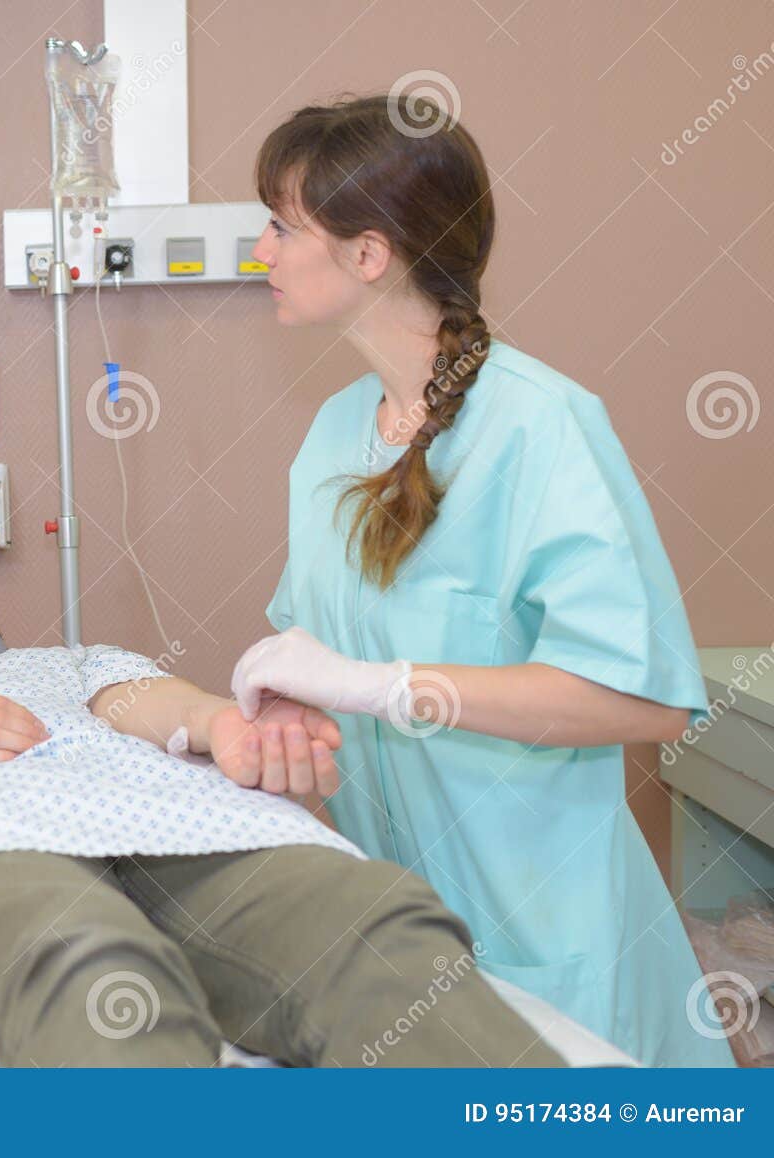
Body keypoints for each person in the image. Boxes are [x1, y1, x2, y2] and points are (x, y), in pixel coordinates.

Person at [234, 95, 729, 1066]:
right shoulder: (332, 436)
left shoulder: (540, 426)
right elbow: (325, 654)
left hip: (548, 931)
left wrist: (393, 687)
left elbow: (644, 703)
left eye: (282, 227)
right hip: (402, 924)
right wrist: (294, 703)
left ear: (367, 254)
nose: (260, 251)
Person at [0, 568, 567, 1067]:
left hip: (181, 818)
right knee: (102, 981)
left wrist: (233, 731)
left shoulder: (72, 663)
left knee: (386, 935)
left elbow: (169, 710)